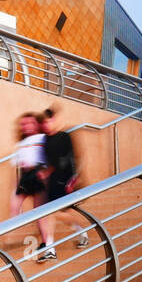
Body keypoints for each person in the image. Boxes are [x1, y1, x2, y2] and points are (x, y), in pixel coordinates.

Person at [40, 105, 92, 251]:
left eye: (47, 122)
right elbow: (49, 163)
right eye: (43, 123)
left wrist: (74, 179)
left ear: (53, 120)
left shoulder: (64, 137)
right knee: (53, 213)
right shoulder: (45, 140)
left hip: (66, 182)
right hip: (53, 183)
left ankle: (80, 232)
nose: (45, 126)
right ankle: (51, 247)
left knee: (55, 213)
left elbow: (71, 159)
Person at [11, 112, 51, 258]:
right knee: (14, 206)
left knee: (39, 212)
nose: (26, 126)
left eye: (29, 123)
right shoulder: (20, 144)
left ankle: (46, 243)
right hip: (26, 176)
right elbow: (17, 165)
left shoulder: (42, 138)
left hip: (39, 173)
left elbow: (50, 155)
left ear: (36, 125)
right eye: (23, 124)